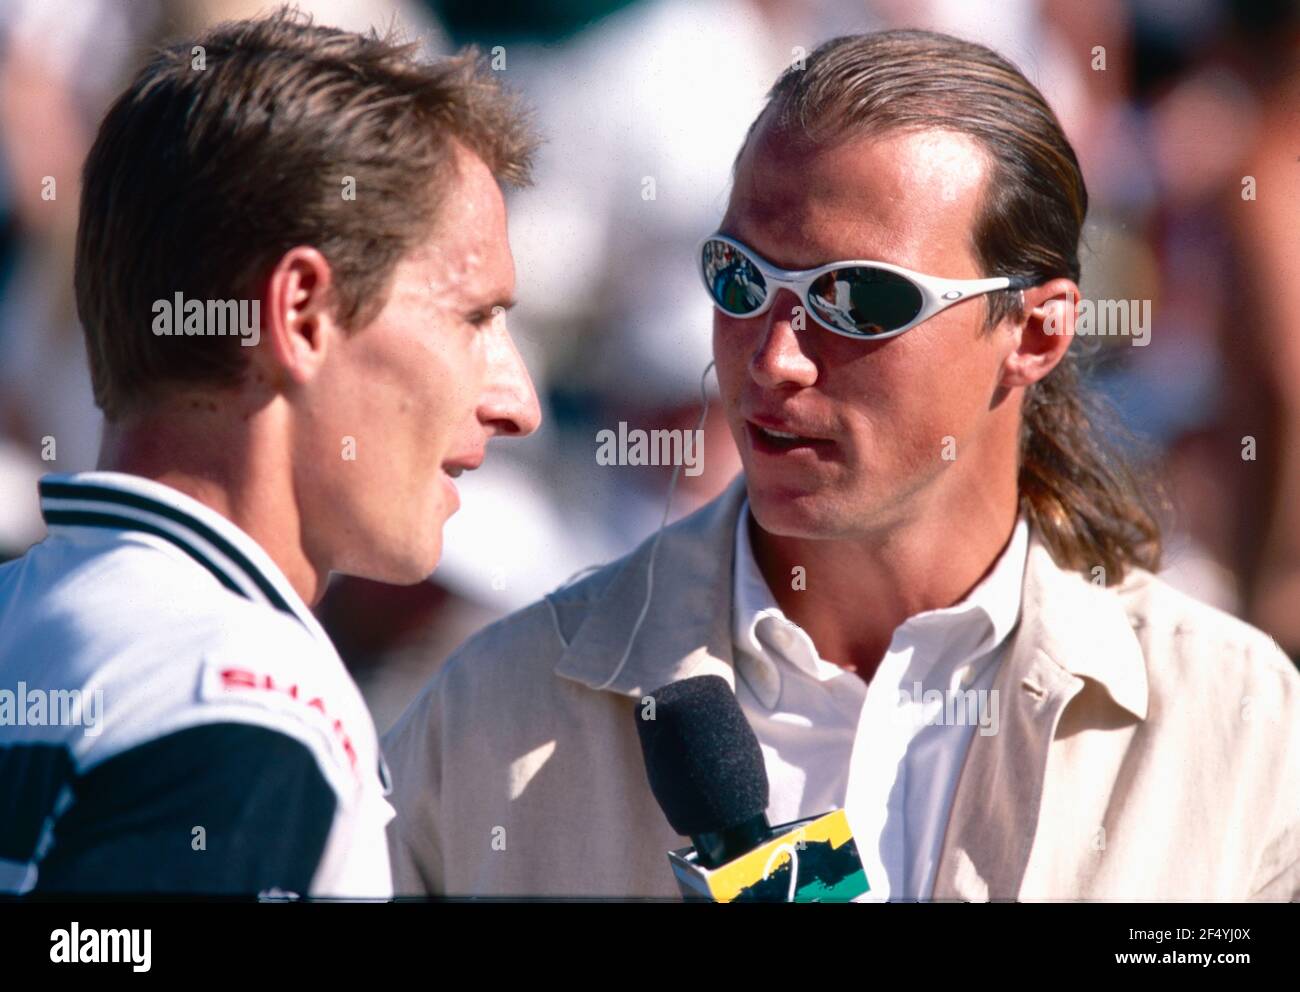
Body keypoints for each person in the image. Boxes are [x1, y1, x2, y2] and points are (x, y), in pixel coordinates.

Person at [382, 30, 1300, 901]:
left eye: (856, 297)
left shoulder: (1236, 726)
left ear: (1037, 331)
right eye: (740, 279)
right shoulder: (494, 713)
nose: (775, 357)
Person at [0, 7, 540, 896]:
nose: (517, 402)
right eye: (474, 316)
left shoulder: (49, 627)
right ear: (300, 315)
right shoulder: (243, 697)